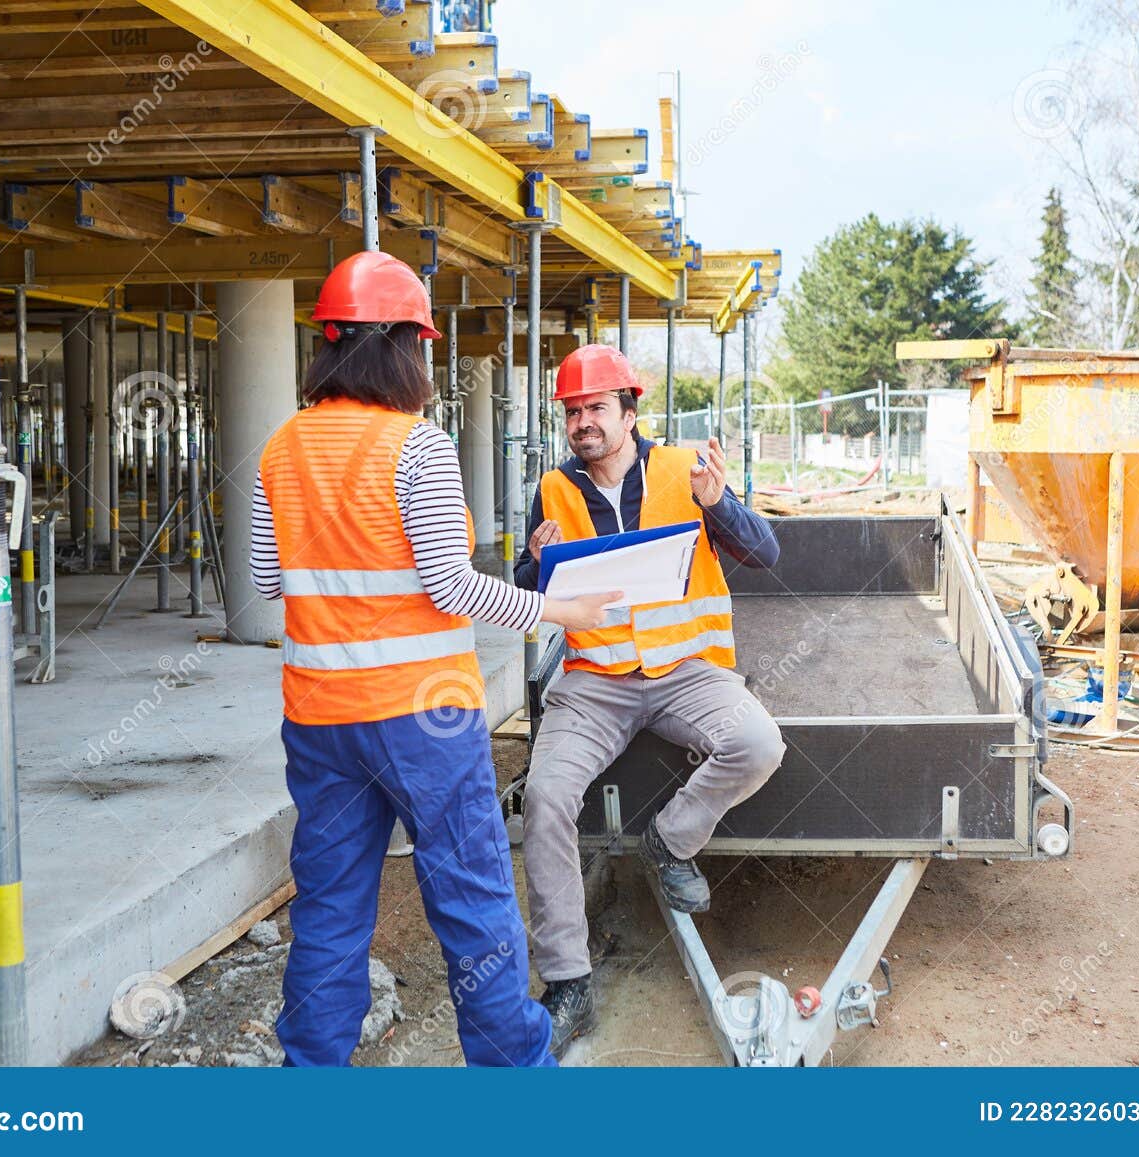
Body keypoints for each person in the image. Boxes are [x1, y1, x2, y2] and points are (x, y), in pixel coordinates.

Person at [250, 251, 617, 1067]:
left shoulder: (280, 447)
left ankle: (307, 1084)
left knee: (330, 912)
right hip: (425, 720)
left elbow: (265, 578)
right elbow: (452, 587)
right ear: (403, 349)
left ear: (330, 344)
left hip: (319, 720)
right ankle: (512, 1085)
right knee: (471, 902)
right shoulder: (417, 446)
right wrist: (560, 608)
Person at [512, 343, 786, 1057]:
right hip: (595, 681)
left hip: (685, 669)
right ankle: (568, 979)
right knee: (543, 798)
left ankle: (671, 842)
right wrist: (537, 567)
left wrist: (718, 504)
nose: (582, 422)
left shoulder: (684, 471)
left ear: (630, 412)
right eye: (572, 411)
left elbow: (765, 554)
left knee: (758, 742)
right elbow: (529, 591)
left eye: (596, 408)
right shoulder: (554, 489)